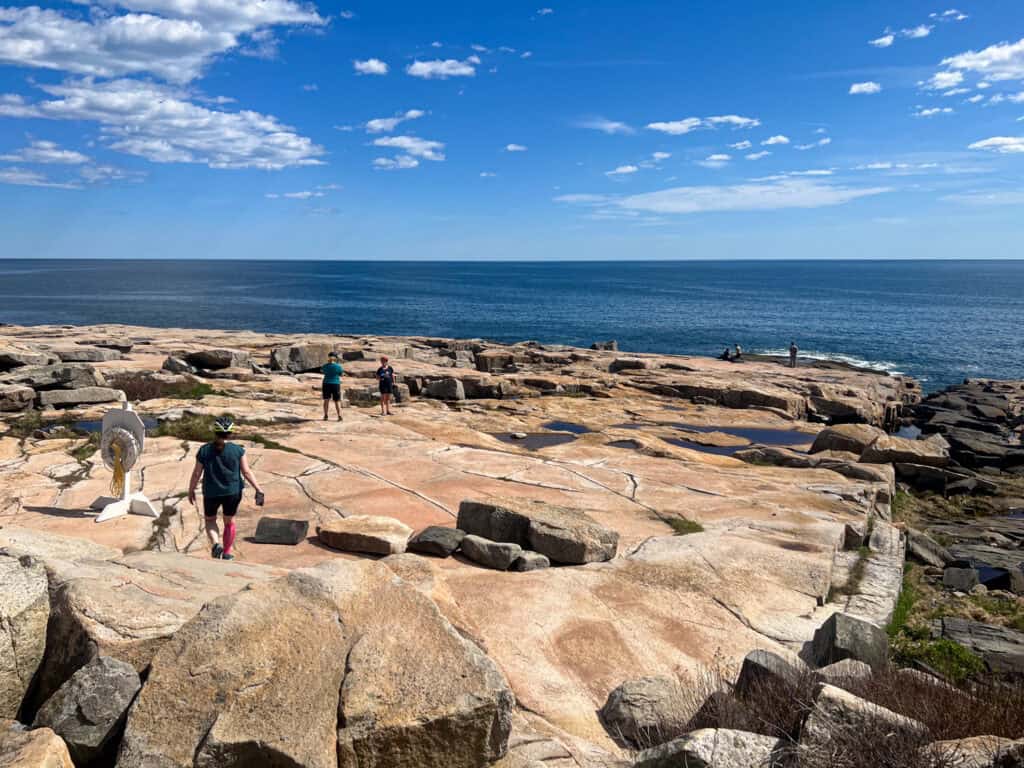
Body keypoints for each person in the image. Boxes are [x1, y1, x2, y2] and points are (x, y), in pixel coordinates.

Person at [187, 417, 265, 561]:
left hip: (211, 492)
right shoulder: (238, 450)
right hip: (232, 492)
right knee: (229, 522)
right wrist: (258, 489)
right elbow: (246, 472)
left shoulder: (204, 450)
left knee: (210, 520)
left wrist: (191, 490)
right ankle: (227, 552)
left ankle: (216, 544)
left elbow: (197, 473)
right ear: (231, 433)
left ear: (214, 432)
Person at [321, 351, 343, 421]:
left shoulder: (325, 366)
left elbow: (322, 371)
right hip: (335, 383)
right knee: (337, 401)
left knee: (326, 400)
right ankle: (339, 416)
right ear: (336, 358)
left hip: (326, 383)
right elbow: (341, 374)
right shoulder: (338, 366)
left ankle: (325, 415)